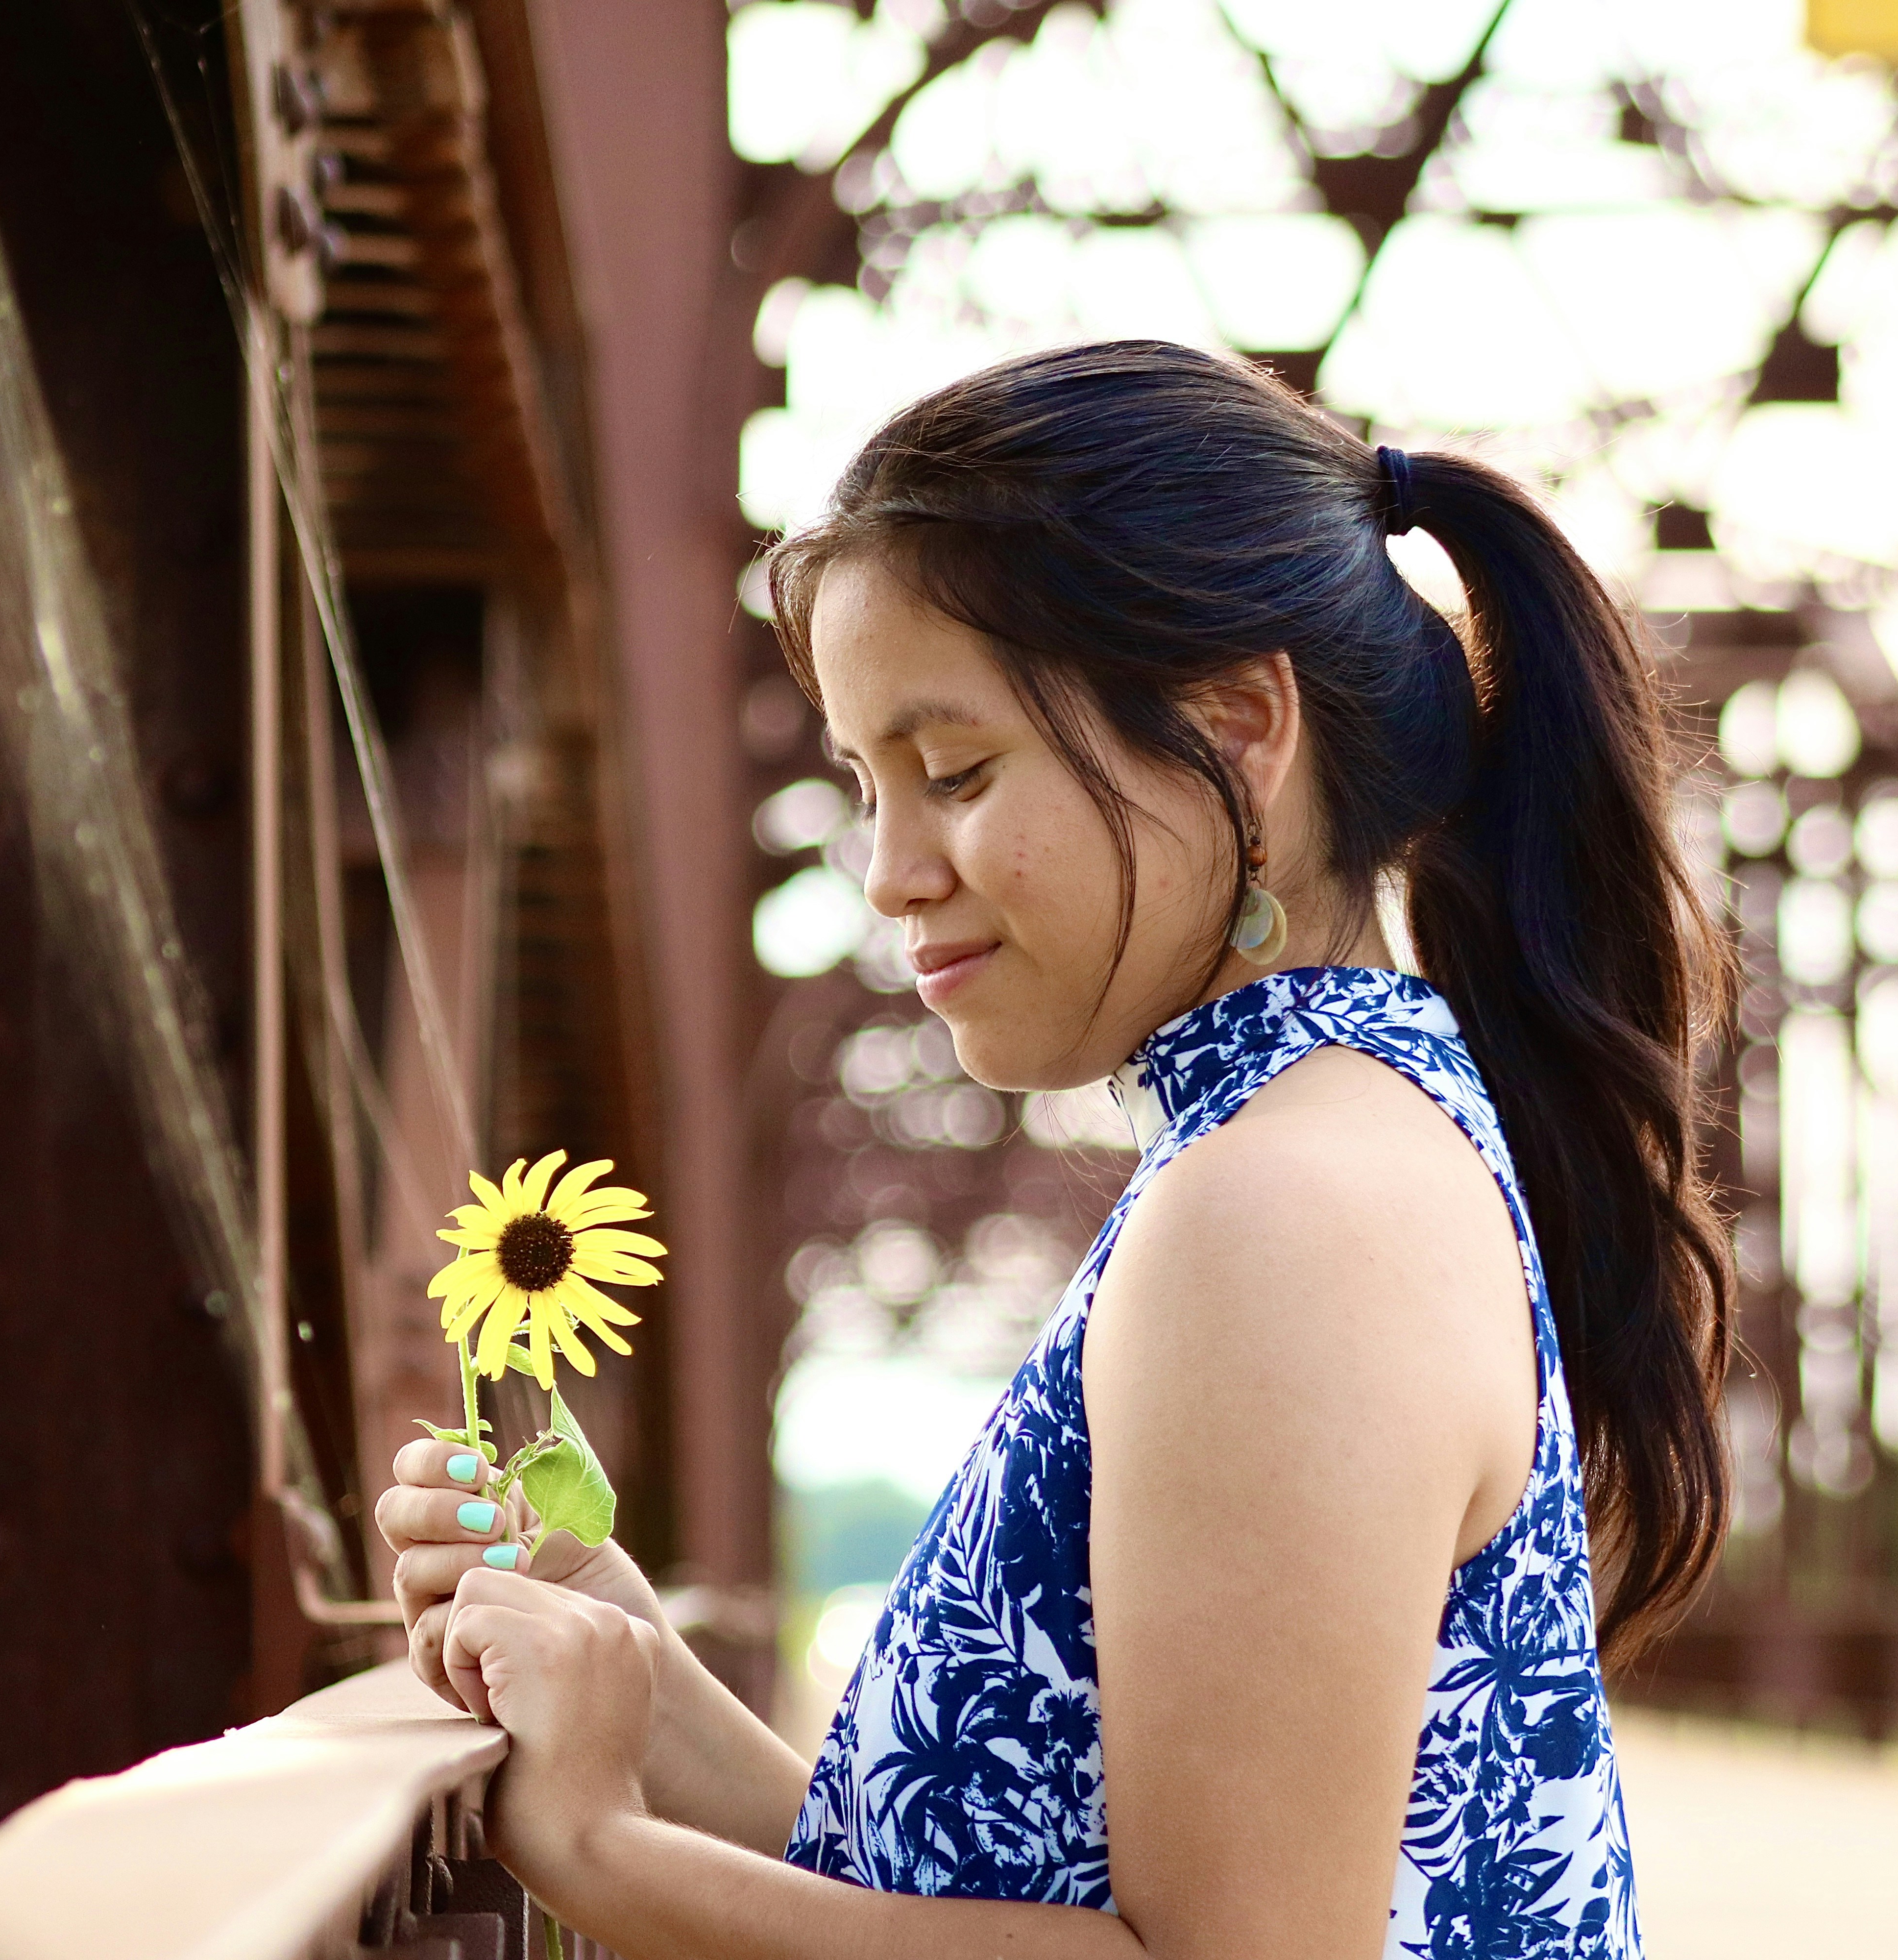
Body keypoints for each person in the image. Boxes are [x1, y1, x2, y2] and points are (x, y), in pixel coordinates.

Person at [375, 340, 1735, 1959]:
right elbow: (980, 1896)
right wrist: (635, 1675)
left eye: (954, 774)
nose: (888, 873)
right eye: (866, 787)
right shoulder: (1335, 1144)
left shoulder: (1283, 1212)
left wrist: (603, 1852)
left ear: (1240, 731)